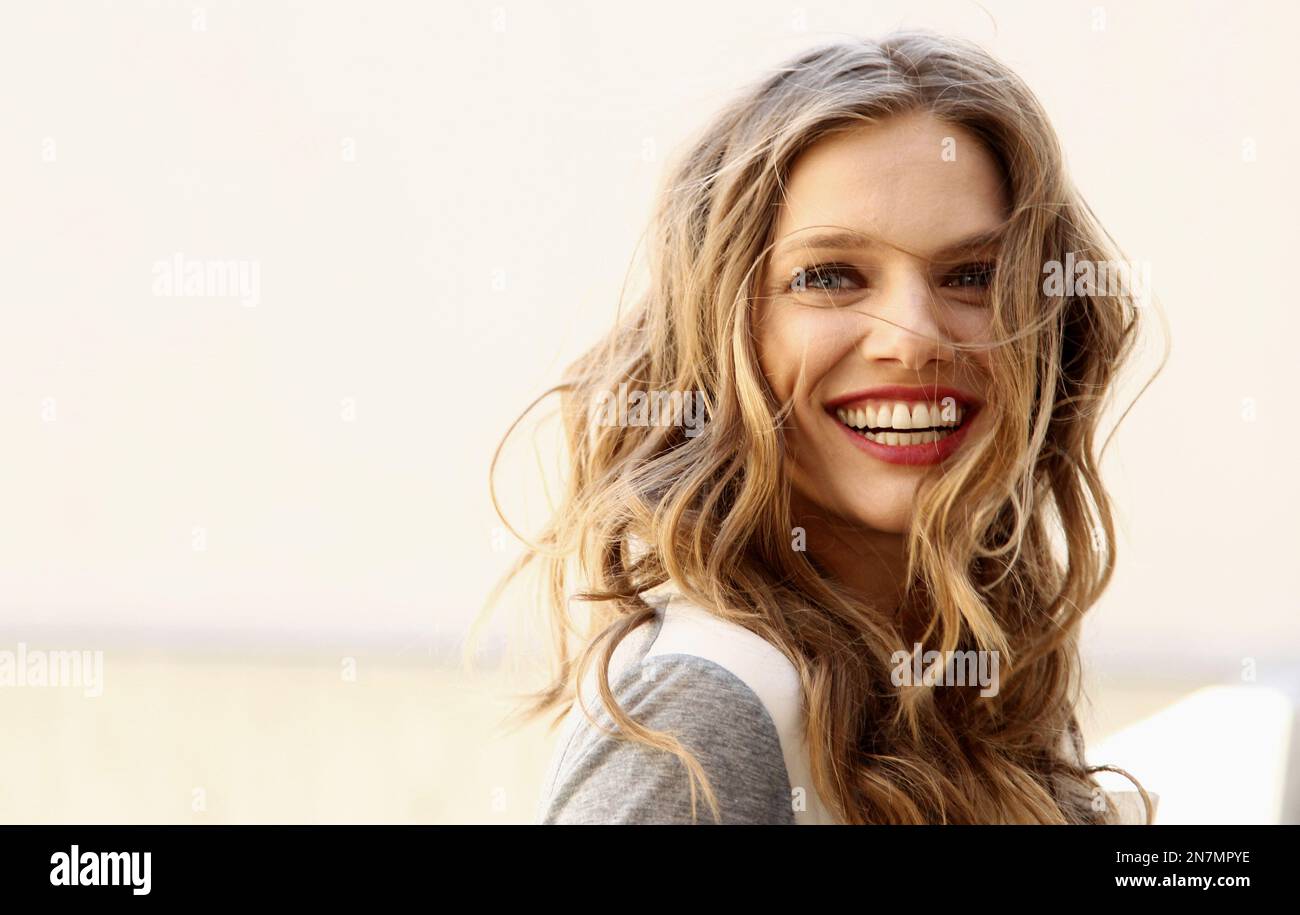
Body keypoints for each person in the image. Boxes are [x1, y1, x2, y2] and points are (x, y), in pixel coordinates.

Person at [491, 30, 1156, 825]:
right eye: (830, 276)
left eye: (973, 276)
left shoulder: (972, 683)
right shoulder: (698, 713)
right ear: (725, 335)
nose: (912, 337)